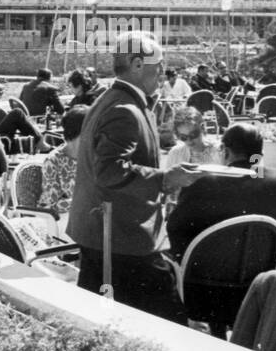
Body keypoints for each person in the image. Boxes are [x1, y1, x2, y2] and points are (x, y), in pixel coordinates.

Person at [66, 31, 201, 321]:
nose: (164, 73)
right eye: (160, 65)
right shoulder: (124, 109)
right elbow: (109, 170)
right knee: (171, 326)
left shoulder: (111, 100)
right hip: (123, 237)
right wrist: (166, 178)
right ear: (137, 64)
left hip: (103, 234)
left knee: (102, 328)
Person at [165, 123, 276, 259]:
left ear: (225, 151)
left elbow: (174, 231)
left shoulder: (202, 182)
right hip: (261, 266)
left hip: (206, 270)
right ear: (260, 154)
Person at [39, 105, 87, 217]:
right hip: (64, 222)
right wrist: (86, 202)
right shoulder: (53, 161)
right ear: (78, 131)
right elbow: (51, 205)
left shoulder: (93, 156)